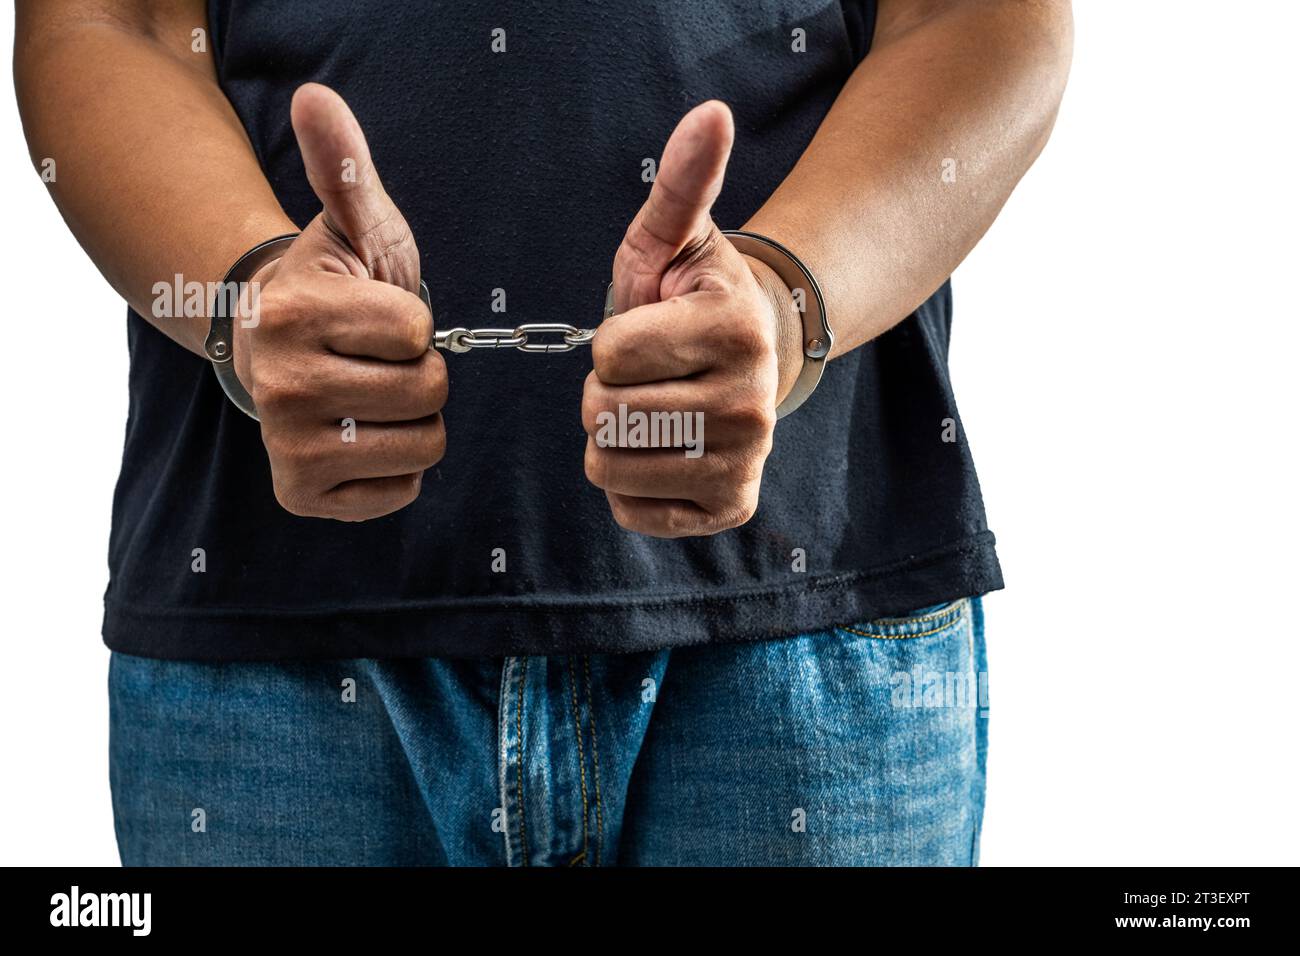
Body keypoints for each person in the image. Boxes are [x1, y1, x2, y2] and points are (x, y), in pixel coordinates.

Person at [14, 0, 1072, 866]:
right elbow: (113, 23)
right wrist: (241, 296)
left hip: (807, 620)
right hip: (271, 634)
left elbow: (971, 17)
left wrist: (789, 297)